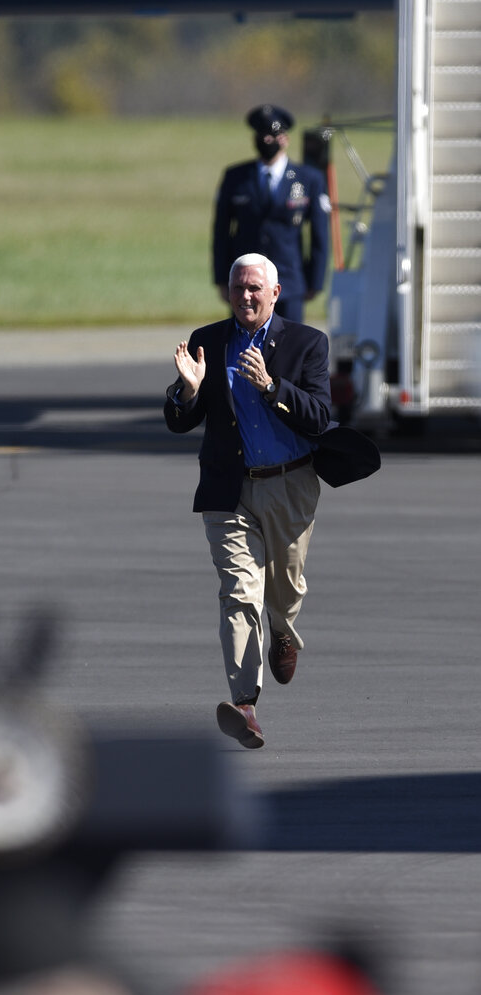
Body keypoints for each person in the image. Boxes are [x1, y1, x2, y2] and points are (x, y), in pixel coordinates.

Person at [163, 253, 378, 749]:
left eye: (255, 288)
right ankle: (244, 703)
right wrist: (187, 392)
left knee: (285, 589)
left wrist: (270, 387)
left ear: (275, 293)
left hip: (291, 485)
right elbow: (180, 419)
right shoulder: (207, 342)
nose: (245, 296)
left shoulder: (307, 344)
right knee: (239, 592)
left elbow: (320, 415)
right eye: (238, 288)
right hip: (228, 490)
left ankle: (284, 632)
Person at [212, 104, 330, 324]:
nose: (267, 140)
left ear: (285, 138)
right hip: (246, 284)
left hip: (290, 281)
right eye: (262, 135)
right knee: (245, 347)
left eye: (273, 134)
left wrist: (315, 281)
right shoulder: (236, 177)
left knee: (290, 349)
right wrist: (221, 278)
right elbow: (221, 231)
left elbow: (319, 234)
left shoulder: (307, 179)